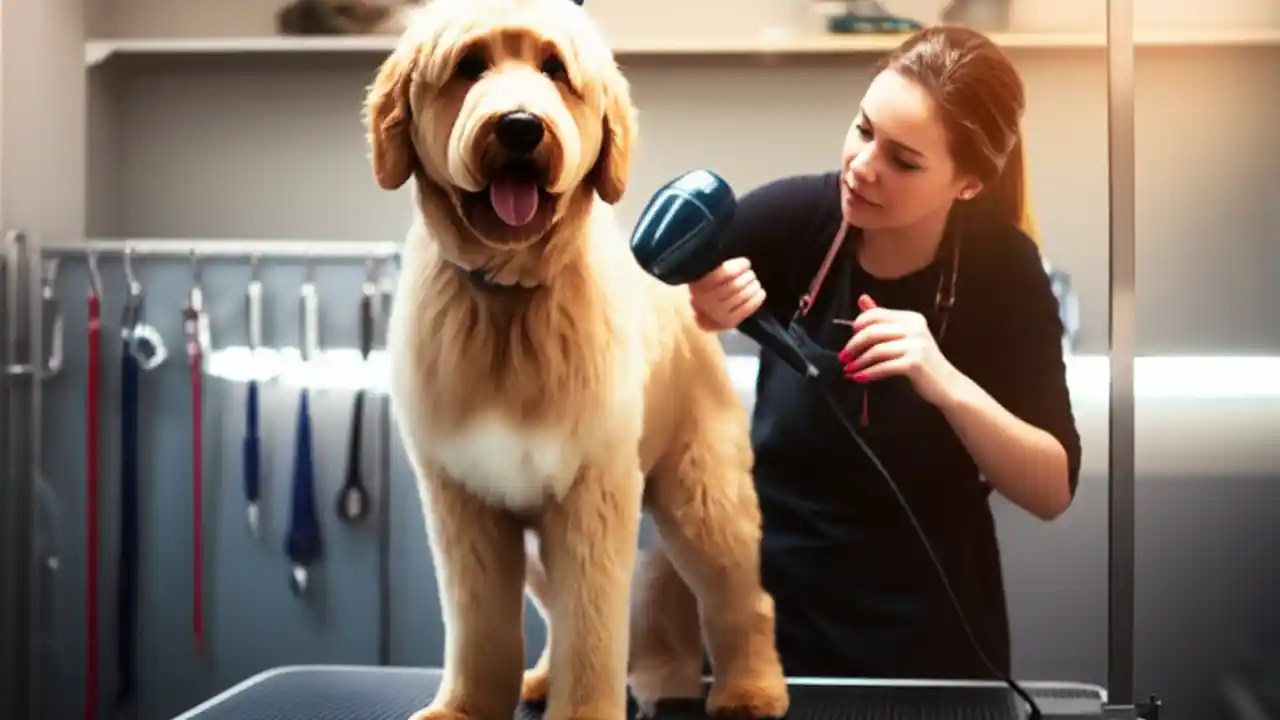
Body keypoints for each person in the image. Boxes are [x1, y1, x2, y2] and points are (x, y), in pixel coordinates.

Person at [684, 25, 1082, 681]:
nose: (863, 166)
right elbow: (634, 323)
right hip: (769, 628)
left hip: (930, 645)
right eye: (863, 130)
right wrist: (694, 312)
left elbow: (1051, 489)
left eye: (904, 160)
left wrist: (943, 380)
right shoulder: (796, 219)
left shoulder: (1004, 270)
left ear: (967, 184)